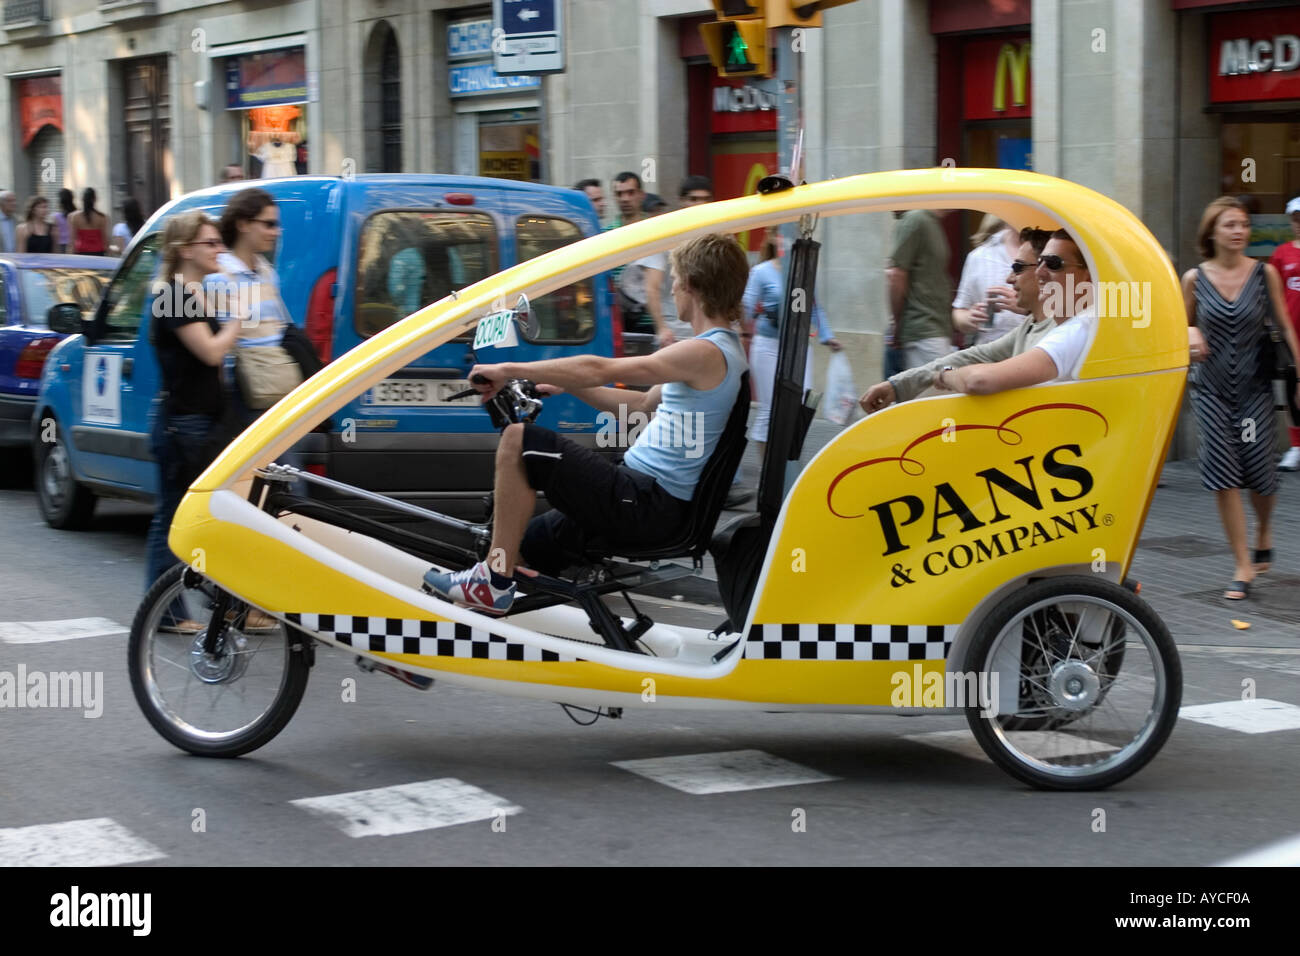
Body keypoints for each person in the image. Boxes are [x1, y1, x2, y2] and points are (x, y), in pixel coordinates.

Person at [422, 233, 751, 615]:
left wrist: (506, 368)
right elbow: (642, 404)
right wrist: (569, 387)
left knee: (518, 441)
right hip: (639, 495)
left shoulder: (704, 352)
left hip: (645, 503)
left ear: (691, 285)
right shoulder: (716, 350)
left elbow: (600, 367)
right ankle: (480, 612)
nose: (671, 288)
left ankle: (491, 583)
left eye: (675, 280)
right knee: (524, 544)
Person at [1184, 196, 1300, 601]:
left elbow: (1284, 325)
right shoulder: (1194, 279)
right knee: (1223, 474)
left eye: (1244, 225)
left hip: (1254, 390)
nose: (1239, 231)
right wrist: (1190, 334)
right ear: (1212, 232)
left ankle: (1264, 531)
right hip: (1211, 390)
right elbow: (1179, 328)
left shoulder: (1264, 274)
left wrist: (1299, 370)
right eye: (1231, 224)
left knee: (1260, 475)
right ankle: (1241, 564)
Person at [143, 211, 242, 625]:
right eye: (210, 243)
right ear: (186, 250)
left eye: (219, 241)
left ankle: (228, 606)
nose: (219, 249)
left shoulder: (196, 294)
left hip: (203, 419)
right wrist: (238, 319)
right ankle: (168, 613)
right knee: (174, 517)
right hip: (183, 423)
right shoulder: (172, 297)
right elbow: (212, 352)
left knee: (208, 516)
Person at [861, 226, 1054, 411]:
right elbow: (971, 356)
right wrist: (897, 385)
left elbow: (979, 380)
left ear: (1043, 272)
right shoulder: (1031, 325)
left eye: (1018, 267)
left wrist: (946, 376)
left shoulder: (1060, 330)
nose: (1009, 279)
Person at [931, 230, 1096, 396]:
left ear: (1088, 277)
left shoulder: (1079, 328)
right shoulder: (1086, 322)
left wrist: (947, 374)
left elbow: (979, 380)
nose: (1039, 271)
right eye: (1039, 262)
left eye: (1053, 263)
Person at [745, 232, 840, 465]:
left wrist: (827, 337)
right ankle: (767, 476)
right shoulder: (761, 272)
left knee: (799, 409)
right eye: (783, 236)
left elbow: (815, 308)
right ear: (775, 240)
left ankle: (788, 470)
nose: (787, 242)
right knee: (770, 411)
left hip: (798, 348)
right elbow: (745, 307)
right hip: (768, 346)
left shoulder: (804, 272)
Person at [209, 188, 295, 427]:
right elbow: (221, 343)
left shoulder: (266, 270)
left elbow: (277, 328)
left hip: (277, 388)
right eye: (268, 224)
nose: (275, 232)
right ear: (243, 224)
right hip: (246, 393)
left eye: (276, 225)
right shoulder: (220, 276)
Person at [887, 208, 954, 370]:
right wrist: (897, 324)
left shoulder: (930, 221)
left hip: (934, 330)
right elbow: (896, 275)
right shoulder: (915, 219)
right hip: (924, 331)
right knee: (931, 392)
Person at [952, 215, 1025, 346]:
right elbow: (959, 313)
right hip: (989, 353)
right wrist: (969, 319)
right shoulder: (980, 255)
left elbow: (1068, 313)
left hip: (1037, 351)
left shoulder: (1054, 253)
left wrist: (1027, 308)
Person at [1270, 196, 1300, 471]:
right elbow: (1273, 292)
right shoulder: (1281, 254)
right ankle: (1296, 446)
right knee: (1292, 390)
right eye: (1296, 218)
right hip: (1292, 333)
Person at [70, 188, 111, 256]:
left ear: (83, 199)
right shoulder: (102, 217)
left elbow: (72, 240)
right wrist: (109, 253)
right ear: (95, 199)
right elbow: (105, 240)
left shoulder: (75, 217)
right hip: (98, 253)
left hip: (81, 253)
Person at [53, 189, 76, 253]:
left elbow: (55, 236)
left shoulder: (56, 216)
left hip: (61, 247)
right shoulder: (76, 215)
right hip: (75, 246)